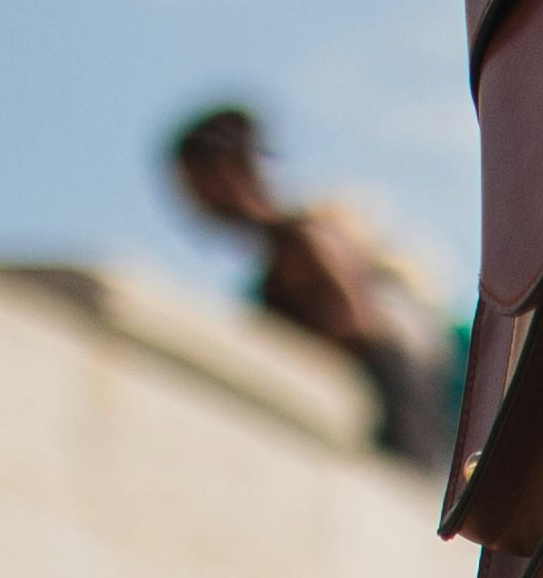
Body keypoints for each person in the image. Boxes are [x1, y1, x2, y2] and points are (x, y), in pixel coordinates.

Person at [163, 103, 460, 466]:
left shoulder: (299, 246)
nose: (194, 204)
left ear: (224, 172)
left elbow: (363, 338)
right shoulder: (291, 252)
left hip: (395, 423)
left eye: (193, 185)